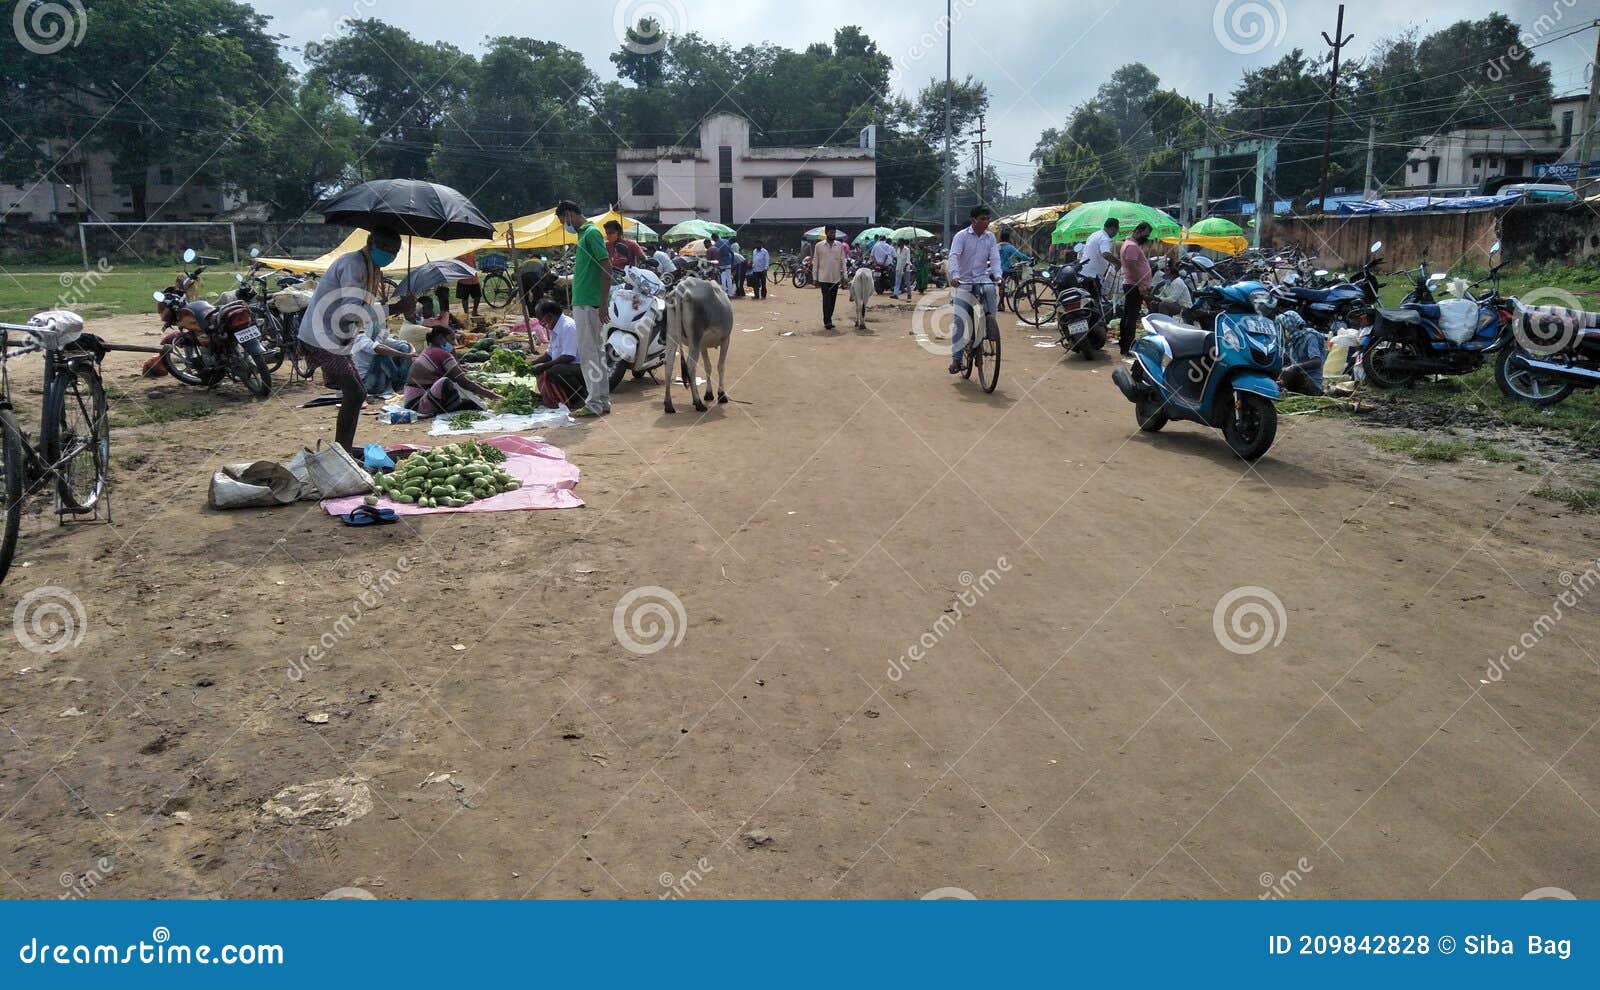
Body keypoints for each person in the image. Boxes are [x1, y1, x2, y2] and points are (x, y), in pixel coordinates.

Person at [298, 228, 397, 455]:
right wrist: (395, 308)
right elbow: (352, 311)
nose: (390, 254)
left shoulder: (370, 266)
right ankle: (343, 449)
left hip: (337, 337)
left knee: (355, 392)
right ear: (372, 245)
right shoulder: (354, 265)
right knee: (355, 393)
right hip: (321, 336)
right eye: (386, 249)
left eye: (395, 251)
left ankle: (344, 447)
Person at [560, 199, 612, 419]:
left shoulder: (591, 234)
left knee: (590, 353)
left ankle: (594, 403)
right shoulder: (583, 235)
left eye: (563, 220)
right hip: (584, 301)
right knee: (596, 353)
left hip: (588, 303)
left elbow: (606, 266)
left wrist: (602, 303)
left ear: (570, 214)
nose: (565, 224)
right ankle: (601, 400)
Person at [947, 205, 1001, 375]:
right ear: (974, 220)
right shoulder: (961, 236)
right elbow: (954, 256)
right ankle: (956, 359)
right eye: (982, 219)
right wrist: (954, 276)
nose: (986, 222)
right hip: (962, 280)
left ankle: (990, 326)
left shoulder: (990, 237)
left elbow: (995, 257)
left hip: (981, 277)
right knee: (959, 319)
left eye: (988, 218)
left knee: (991, 290)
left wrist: (998, 275)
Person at [403, 326, 501, 416]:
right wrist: (492, 395)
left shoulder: (430, 350)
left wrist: (479, 388)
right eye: (451, 339)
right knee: (446, 382)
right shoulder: (441, 354)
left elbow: (458, 375)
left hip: (412, 401)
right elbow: (463, 381)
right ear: (441, 338)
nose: (454, 343)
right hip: (419, 403)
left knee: (465, 398)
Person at [529, 299, 587, 408]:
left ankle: (580, 398)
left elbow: (569, 356)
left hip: (582, 369)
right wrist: (532, 364)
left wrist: (544, 366)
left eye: (541, 320)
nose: (541, 323)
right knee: (549, 369)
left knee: (556, 370)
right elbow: (549, 354)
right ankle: (555, 397)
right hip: (570, 368)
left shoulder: (568, 327)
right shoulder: (555, 327)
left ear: (550, 316)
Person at [352, 316, 413, 398]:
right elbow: (377, 349)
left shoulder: (379, 339)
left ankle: (402, 384)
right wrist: (404, 355)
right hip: (366, 383)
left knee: (403, 348)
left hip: (379, 380)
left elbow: (404, 345)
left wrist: (411, 351)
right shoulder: (360, 338)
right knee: (382, 356)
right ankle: (399, 384)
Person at [1118, 221, 1154, 355]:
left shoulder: (1129, 245)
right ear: (1138, 231)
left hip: (1132, 284)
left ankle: (1124, 345)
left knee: (1128, 315)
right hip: (1134, 285)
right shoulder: (1132, 246)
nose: (1146, 238)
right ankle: (1127, 346)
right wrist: (1140, 284)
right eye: (1145, 235)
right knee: (1131, 317)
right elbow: (1132, 267)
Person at [812, 227, 848, 331]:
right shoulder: (819, 246)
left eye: (834, 233)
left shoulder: (839, 245)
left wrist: (844, 276)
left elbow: (843, 261)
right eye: (831, 232)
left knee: (832, 301)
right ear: (827, 233)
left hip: (835, 278)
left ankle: (829, 319)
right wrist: (815, 278)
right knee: (826, 300)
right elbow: (816, 262)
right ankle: (827, 321)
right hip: (823, 278)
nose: (833, 234)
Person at [1080, 218, 1119, 307]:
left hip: (1084, 271)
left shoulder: (1095, 235)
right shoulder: (1105, 238)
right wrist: (1117, 262)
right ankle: (1093, 319)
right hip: (1093, 275)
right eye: (1116, 231)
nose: (1115, 234)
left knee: (1086, 299)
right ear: (1112, 228)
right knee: (1094, 301)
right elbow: (1105, 254)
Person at [997, 229, 1032, 312]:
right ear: (1008, 238)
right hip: (1007, 268)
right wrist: (1029, 258)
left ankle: (1001, 303)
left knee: (1001, 286)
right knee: (1015, 275)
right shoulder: (1009, 247)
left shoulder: (997, 246)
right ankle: (1019, 290)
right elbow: (1019, 255)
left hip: (997, 269)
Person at [456, 251, 482, 317]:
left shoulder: (472, 251)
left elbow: (474, 264)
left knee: (477, 297)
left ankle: (474, 311)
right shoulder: (458, 253)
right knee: (464, 298)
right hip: (463, 279)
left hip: (473, 278)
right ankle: (466, 314)